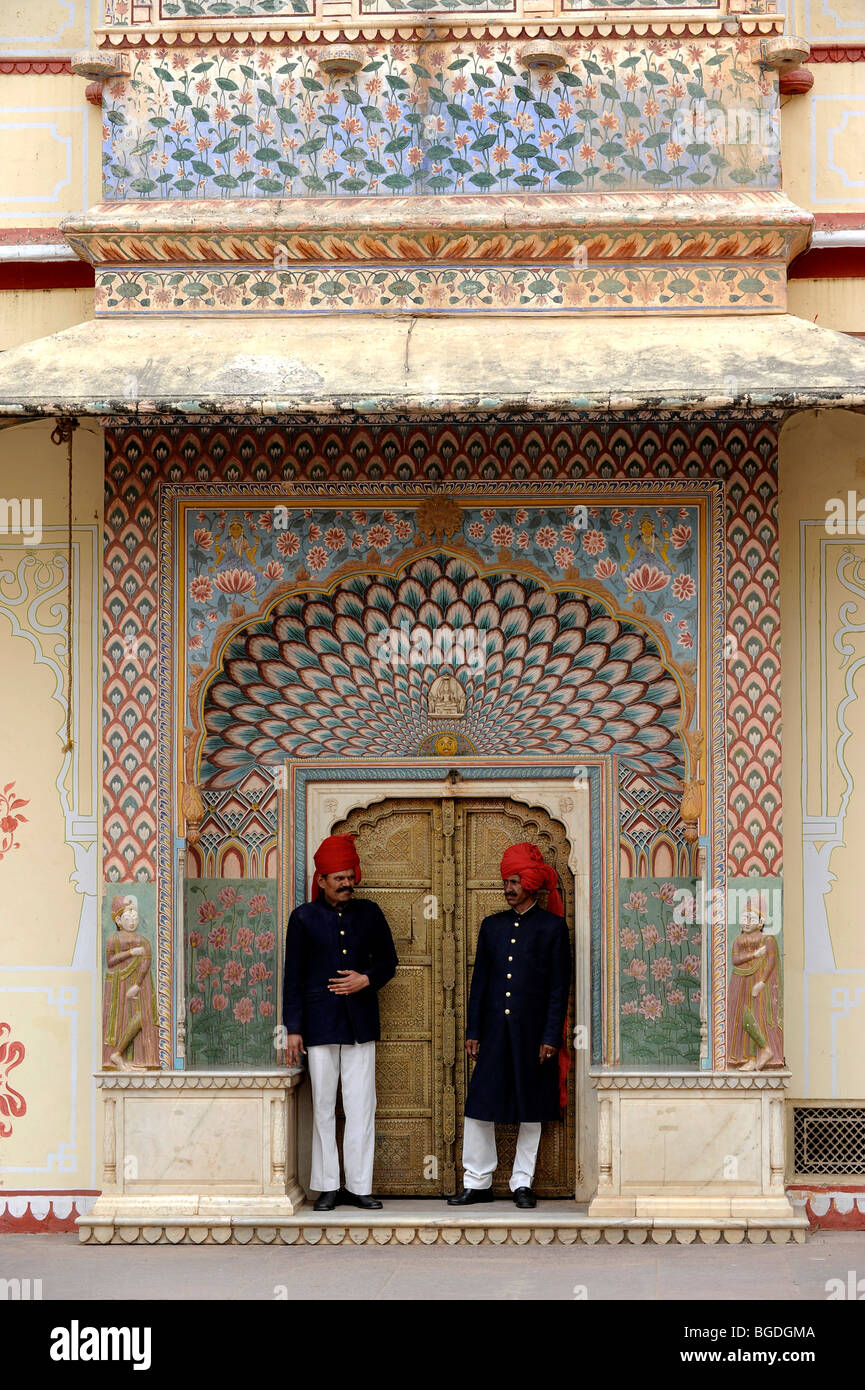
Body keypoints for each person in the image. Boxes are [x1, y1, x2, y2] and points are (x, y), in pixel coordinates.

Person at [448, 842, 571, 1209]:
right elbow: (480, 982)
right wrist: (473, 1031)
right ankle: (477, 1181)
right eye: (507, 881)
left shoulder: (552, 928)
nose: (509, 887)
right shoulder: (492, 926)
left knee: (530, 1107)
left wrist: (551, 1036)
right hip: (493, 1036)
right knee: (480, 1105)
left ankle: (522, 1182)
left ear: (531, 883)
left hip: (533, 1037)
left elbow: (557, 988)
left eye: (515, 880)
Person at [282, 834, 398, 1211]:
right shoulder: (303, 918)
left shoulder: (370, 913)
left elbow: (388, 962)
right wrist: (293, 1028)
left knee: (362, 1105)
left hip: (360, 1024)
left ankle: (360, 1185)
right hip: (318, 1025)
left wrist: (365, 979)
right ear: (321, 880)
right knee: (323, 1106)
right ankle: (328, 1185)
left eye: (350, 876)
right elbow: (293, 977)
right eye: (339, 878)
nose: (348, 883)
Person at [102, 894, 159, 1071]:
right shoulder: (114, 939)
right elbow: (110, 961)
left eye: (135, 916)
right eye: (128, 916)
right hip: (119, 983)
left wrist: (138, 985)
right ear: (119, 920)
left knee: (145, 1015)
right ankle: (117, 1055)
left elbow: (147, 962)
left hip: (139, 984)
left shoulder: (144, 941)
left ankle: (126, 1055)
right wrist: (131, 953)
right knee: (120, 1019)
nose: (132, 920)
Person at [728, 902, 784, 1070]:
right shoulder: (738, 940)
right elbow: (736, 960)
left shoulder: (768, 939)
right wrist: (754, 954)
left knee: (755, 1016)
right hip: (740, 980)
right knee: (742, 1017)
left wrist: (762, 982)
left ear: (760, 923)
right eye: (743, 918)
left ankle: (762, 1052)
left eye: (750, 918)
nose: (745, 922)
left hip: (758, 981)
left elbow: (771, 962)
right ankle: (753, 1056)